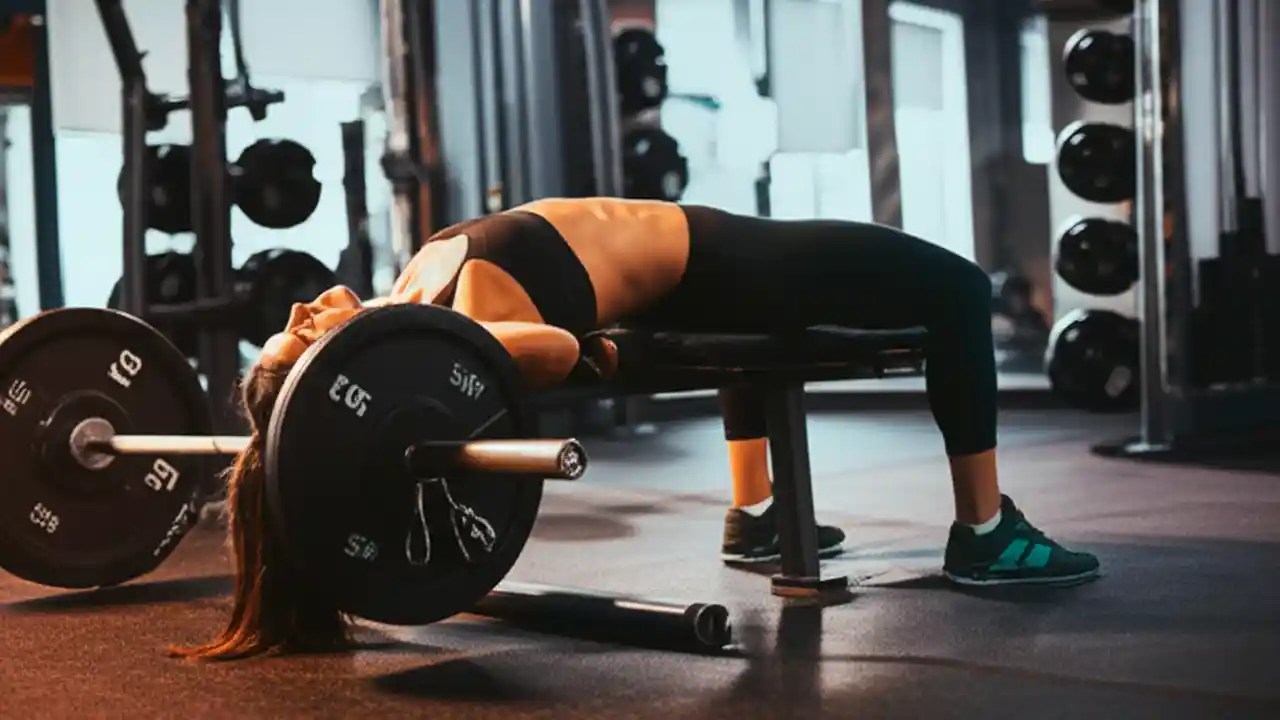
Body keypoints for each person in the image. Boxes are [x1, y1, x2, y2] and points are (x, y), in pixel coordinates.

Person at [176, 198, 1100, 660]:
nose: (299, 308)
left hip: (708, 267)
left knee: (816, 315)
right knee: (958, 288)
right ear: (336, 366)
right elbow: (543, 349)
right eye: (301, 334)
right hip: (730, 266)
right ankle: (985, 534)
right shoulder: (452, 327)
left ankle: (756, 518)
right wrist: (524, 344)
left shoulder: (412, 296)